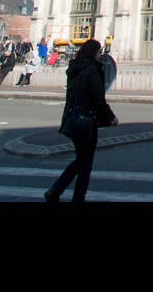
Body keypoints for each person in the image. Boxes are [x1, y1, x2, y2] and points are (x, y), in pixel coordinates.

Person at [45, 39, 117, 202]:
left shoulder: (75, 68)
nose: (100, 56)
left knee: (81, 159)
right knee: (86, 165)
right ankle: (76, 198)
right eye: (98, 52)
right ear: (93, 53)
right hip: (86, 120)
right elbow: (98, 98)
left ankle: (56, 189)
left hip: (72, 118)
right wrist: (111, 117)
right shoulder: (92, 69)